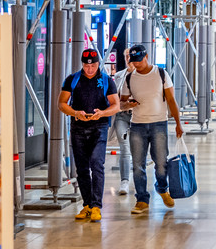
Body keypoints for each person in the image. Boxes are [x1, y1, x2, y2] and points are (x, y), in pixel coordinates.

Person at [120, 43, 185, 213]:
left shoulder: (161, 74)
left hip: (159, 124)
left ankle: (162, 189)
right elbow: (121, 103)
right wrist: (128, 104)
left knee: (161, 163)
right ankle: (142, 199)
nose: (137, 64)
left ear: (146, 56)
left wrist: (178, 123)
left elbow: (171, 100)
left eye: (140, 60)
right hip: (137, 125)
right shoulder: (129, 78)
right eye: (134, 61)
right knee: (138, 164)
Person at [58, 48, 120, 223]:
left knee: (97, 164)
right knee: (82, 168)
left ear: (98, 64)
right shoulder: (73, 79)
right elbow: (61, 103)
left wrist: (102, 113)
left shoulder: (107, 80)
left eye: (92, 66)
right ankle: (86, 204)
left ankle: (96, 206)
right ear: (82, 64)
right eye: (86, 66)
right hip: (78, 128)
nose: (90, 69)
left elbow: (116, 105)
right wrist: (75, 112)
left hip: (99, 127)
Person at [112, 46, 139, 197]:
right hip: (122, 115)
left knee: (137, 149)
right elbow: (115, 95)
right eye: (126, 56)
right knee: (124, 147)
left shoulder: (143, 76)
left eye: (131, 55)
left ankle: (137, 179)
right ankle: (124, 181)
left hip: (138, 117)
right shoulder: (119, 76)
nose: (129, 59)